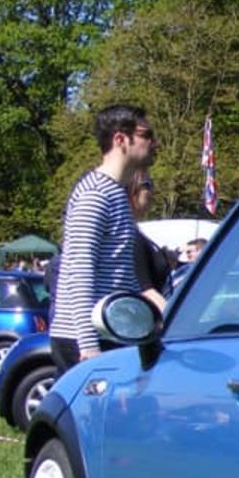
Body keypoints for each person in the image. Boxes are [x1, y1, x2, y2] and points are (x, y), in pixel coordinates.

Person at [50, 103, 158, 373]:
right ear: (120, 139)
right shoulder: (95, 195)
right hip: (87, 340)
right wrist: (88, 346)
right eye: (146, 135)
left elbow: (123, 277)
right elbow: (78, 270)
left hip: (112, 333)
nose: (154, 143)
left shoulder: (116, 194)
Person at [128, 171, 177, 312]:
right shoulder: (131, 237)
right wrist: (174, 321)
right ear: (131, 189)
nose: (152, 191)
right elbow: (146, 291)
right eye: (147, 185)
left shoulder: (137, 234)